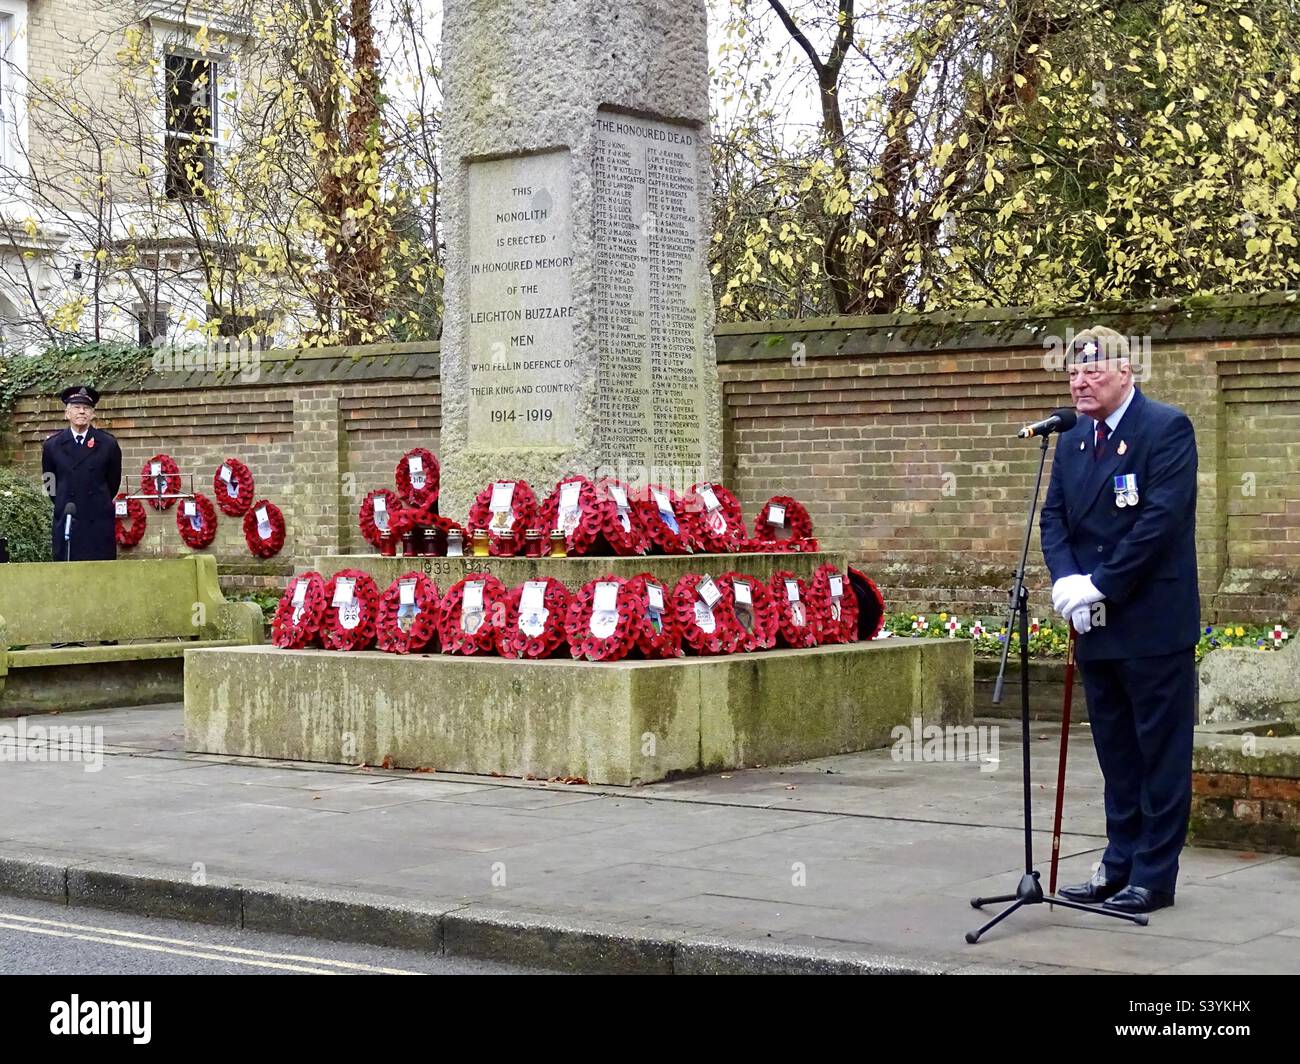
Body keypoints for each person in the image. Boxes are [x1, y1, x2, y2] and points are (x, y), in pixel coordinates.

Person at [1039, 326, 1200, 916]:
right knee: (1116, 755)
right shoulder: (1074, 436)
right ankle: (1118, 863)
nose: (1080, 382)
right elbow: (1054, 517)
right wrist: (1065, 582)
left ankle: (1154, 877)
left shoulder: (1166, 429)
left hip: (1152, 622)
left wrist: (1099, 584)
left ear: (1126, 372)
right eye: (1073, 374)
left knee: (1159, 753)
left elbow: (1158, 523)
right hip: (1096, 624)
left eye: (1093, 372)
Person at [41, 385, 122, 561]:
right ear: (67, 413)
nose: (82, 412)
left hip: (97, 518)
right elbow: (49, 482)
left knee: (101, 571)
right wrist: (63, 500)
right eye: (76, 407)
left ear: (93, 414)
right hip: (68, 516)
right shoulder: (52, 445)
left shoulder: (108, 444)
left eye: (86, 408)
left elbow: (113, 482)